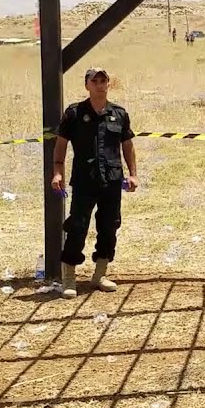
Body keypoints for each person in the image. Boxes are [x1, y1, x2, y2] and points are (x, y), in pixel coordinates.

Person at [51, 67, 139, 299]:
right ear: (87, 85)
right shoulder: (74, 113)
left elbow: (127, 145)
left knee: (109, 226)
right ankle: (69, 277)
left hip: (111, 179)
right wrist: (57, 172)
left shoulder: (119, 114)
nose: (100, 84)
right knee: (77, 226)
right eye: (95, 80)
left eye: (103, 80)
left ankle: (100, 274)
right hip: (84, 180)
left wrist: (133, 173)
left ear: (109, 84)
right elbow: (61, 145)